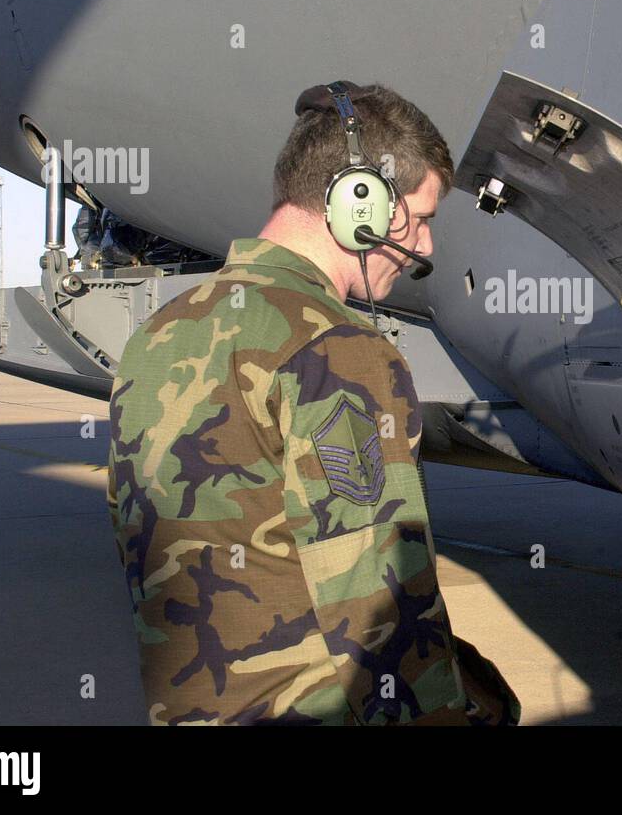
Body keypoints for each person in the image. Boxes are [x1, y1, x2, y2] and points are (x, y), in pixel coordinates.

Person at [106, 81, 519, 725]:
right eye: (422, 219)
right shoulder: (336, 349)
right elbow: (377, 603)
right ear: (363, 204)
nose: (426, 249)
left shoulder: (157, 336)